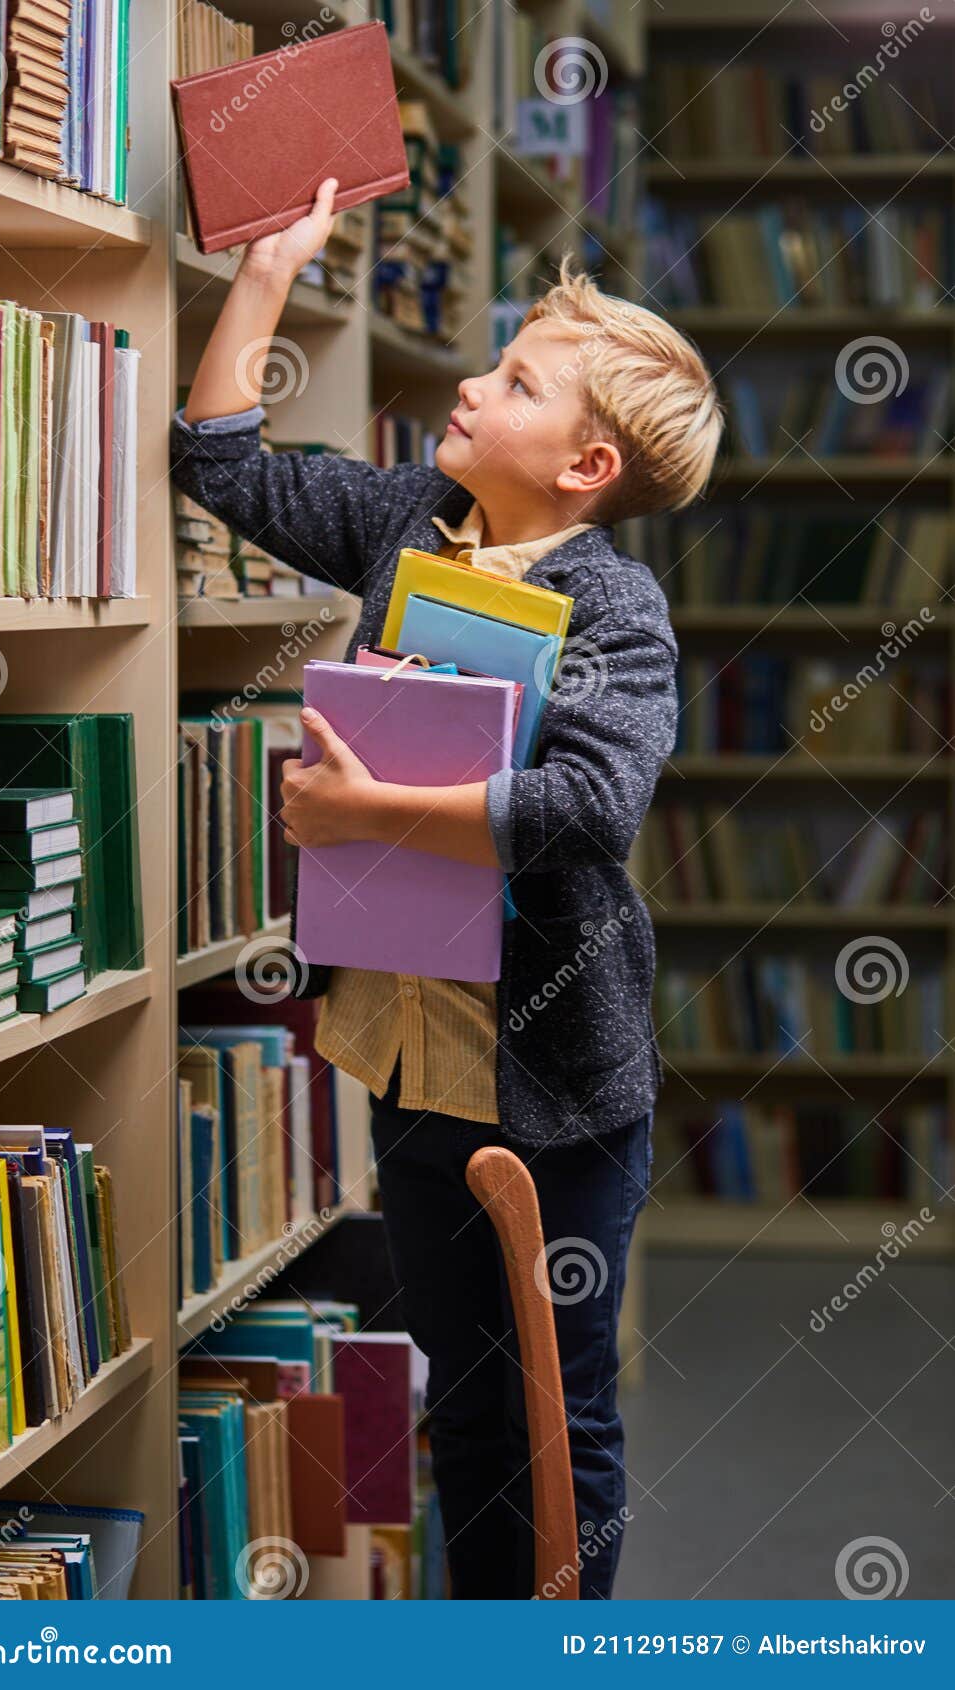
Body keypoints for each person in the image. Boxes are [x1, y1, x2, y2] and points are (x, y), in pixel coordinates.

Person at [170, 177, 724, 1599]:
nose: (472, 382)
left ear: (589, 464)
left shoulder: (617, 610)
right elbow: (222, 463)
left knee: (561, 1409)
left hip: (557, 1086)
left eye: (518, 378)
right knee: (464, 1405)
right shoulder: (411, 517)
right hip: (413, 1058)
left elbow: (590, 808)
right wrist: (274, 267)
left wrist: (369, 811)